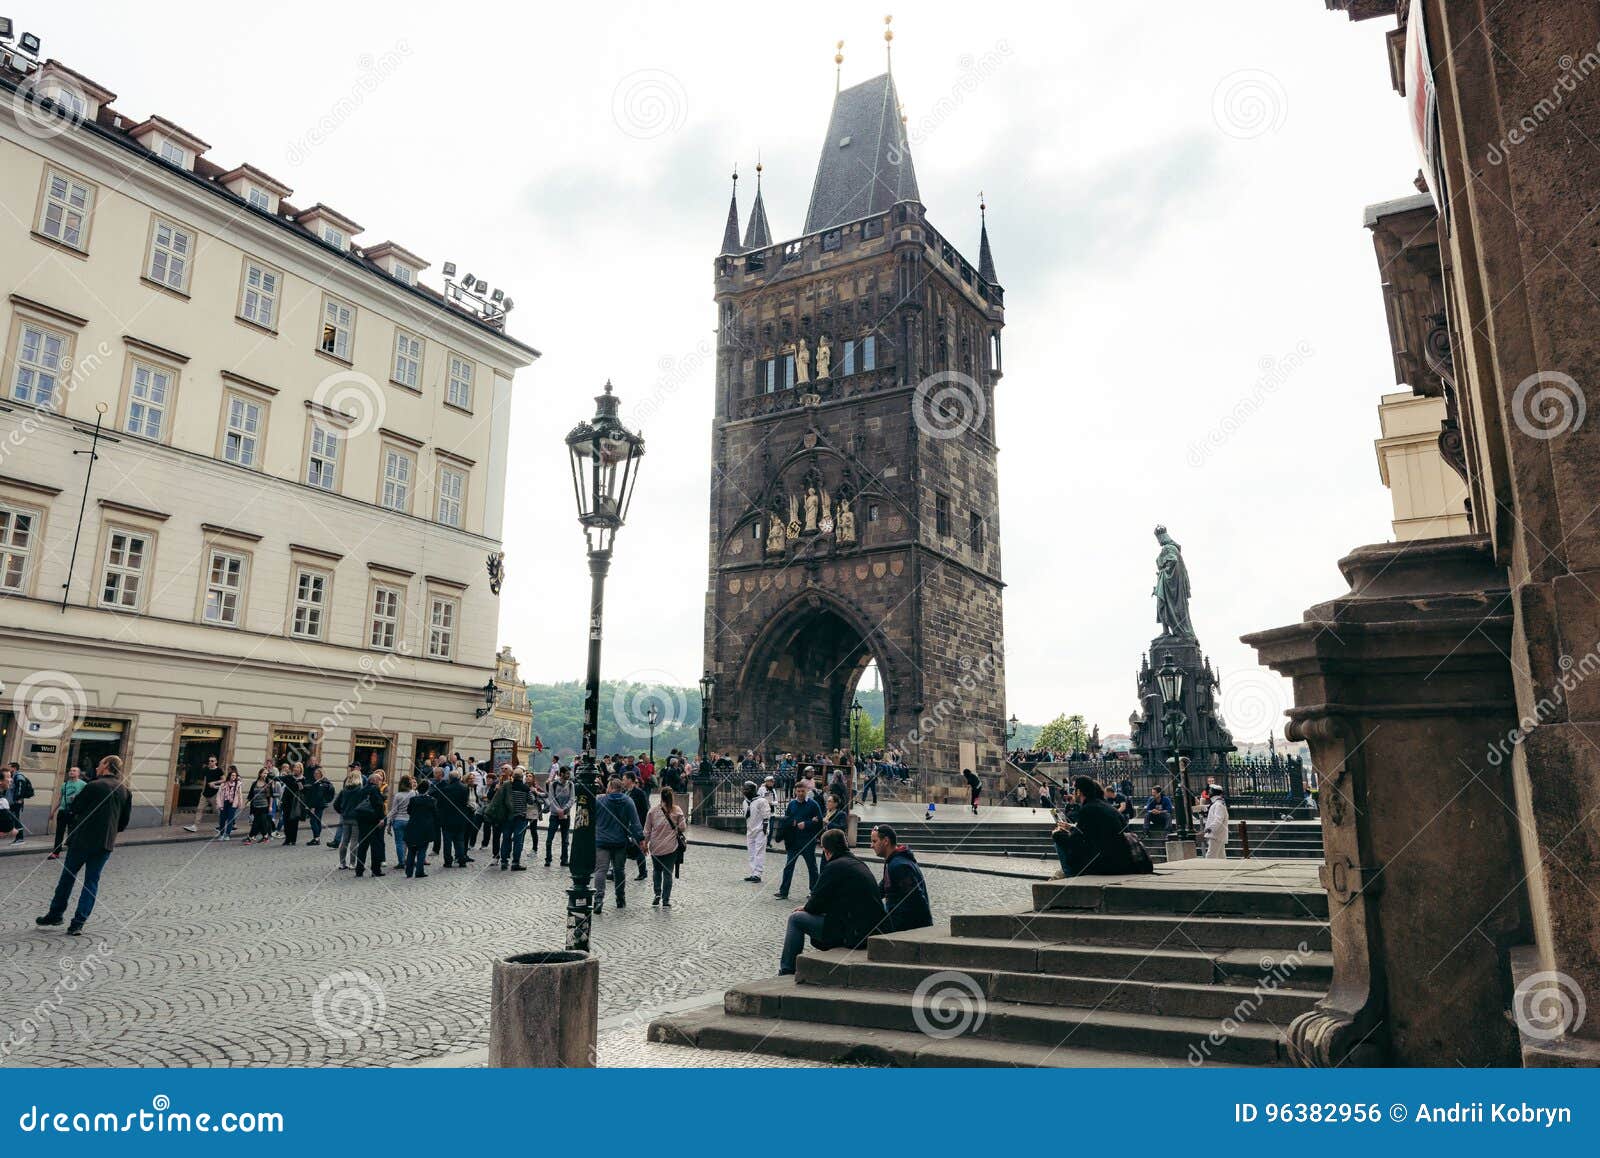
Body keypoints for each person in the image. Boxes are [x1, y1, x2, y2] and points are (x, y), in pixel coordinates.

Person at [35, 755, 131, 935]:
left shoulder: (93, 786)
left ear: (107, 767)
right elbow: (124, 822)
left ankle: (55, 914)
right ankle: (78, 923)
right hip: (105, 843)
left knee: (67, 878)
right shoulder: (124, 790)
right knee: (91, 882)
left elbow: (75, 809)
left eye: (100, 764)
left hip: (82, 840)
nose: (96, 767)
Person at [778, 829, 884, 975]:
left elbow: (816, 902)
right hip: (867, 928)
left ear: (826, 851)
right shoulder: (858, 863)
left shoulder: (834, 866)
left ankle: (787, 970)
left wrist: (806, 907)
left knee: (796, 919)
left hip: (853, 933)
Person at [1051, 776, 1146, 878]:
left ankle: (1070, 873)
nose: (1073, 793)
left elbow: (1077, 840)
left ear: (1079, 791)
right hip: (1122, 859)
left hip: (1104, 863)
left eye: (1074, 790)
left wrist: (1058, 834)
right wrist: (1072, 829)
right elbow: (1092, 832)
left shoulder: (1087, 809)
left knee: (1058, 836)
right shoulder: (1108, 807)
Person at [593, 776, 644, 912]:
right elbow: (635, 823)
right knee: (619, 870)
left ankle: (598, 899)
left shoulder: (600, 800)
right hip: (620, 841)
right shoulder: (628, 801)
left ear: (610, 788)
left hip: (602, 841)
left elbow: (591, 817)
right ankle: (620, 898)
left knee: (601, 870)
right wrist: (641, 839)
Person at [871, 823, 933, 934]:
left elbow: (916, 899)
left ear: (886, 841)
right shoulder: (893, 861)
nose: (871, 845)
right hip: (898, 925)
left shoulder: (899, 866)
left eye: (874, 841)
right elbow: (882, 888)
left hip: (907, 930)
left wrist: (926, 930)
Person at [774, 783, 824, 900]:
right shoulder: (791, 804)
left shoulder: (813, 804)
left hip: (807, 841)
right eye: (798, 791)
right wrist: (793, 823)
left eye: (802, 791)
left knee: (812, 867)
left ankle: (814, 892)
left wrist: (807, 824)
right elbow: (786, 820)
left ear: (806, 791)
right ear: (795, 792)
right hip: (794, 841)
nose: (800, 793)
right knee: (788, 866)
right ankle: (784, 891)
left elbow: (819, 821)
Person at [643, 786, 686, 907]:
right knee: (668, 873)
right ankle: (666, 899)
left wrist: (645, 844)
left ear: (661, 797)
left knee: (657, 870)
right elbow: (683, 827)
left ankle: (657, 893)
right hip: (671, 847)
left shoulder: (652, 811)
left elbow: (647, 830)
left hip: (656, 847)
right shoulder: (677, 810)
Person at [435, 768, 476, 868]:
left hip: (447, 819)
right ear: (459, 777)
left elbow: (440, 804)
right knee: (460, 840)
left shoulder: (445, 789)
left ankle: (448, 861)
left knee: (447, 841)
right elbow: (465, 802)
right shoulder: (464, 788)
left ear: (449, 778)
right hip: (461, 818)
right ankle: (461, 860)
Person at [351, 771, 388, 878]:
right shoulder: (375, 789)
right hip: (373, 822)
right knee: (375, 846)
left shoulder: (362, 790)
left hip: (362, 821)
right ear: (374, 781)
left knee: (362, 846)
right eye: (380, 780)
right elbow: (378, 805)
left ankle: (359, 870)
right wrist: (381, 818)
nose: (381, 782)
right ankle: (376, 870)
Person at [403, 779, 438, 878]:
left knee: (412, 850)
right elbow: (435, 814)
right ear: (427, 789)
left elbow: (409, 811)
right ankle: (419, 871)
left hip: (413, 826)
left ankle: (409, 872)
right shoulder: (431, 800)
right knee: (422, 850)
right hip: (425, 828)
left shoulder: (413, 800)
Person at [330, 768, 366, 866]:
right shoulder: (361, 791)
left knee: (344, 841)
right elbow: (365, 804)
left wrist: (343, 812)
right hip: (356, 819)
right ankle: (352, 864)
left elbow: (335, 804)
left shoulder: (344, 790)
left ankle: (342, 864)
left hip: (346, 818)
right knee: (354, 841)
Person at [49, 766, 85, 859]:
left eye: (74, 771)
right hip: (63, 811)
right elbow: (60, 799)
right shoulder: (64, 785)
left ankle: (72, 852)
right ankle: (56, 852)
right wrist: (53, 811)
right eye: (70, 770)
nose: (71, 772)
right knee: (59, 832)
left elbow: (86, 798)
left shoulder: (83, 784)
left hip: (74, 812)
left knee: (72, 833)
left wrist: (77, 798)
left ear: (78, 773)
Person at [623, 770, 651, 882]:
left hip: (636, 825)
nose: (623, 781)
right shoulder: (625, 793)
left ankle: (643, 872)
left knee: (639, 848)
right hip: (626, 825)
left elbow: (645, 810)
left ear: (630, 780)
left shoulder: (639, 793)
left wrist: (643, 827)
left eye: (624, 779)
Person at [742, 780, 770, 883]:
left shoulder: (761, 801)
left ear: (753, 790)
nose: (745, 791)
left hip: (760, 830)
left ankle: (758, 873)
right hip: (750, 830)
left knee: (759, 852)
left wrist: (765, 829)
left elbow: (766, 816)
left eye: (747, 789)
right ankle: (753, 872)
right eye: (744, 789)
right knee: (751, 852)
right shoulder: (745, 802)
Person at [544, 765, 572, 866]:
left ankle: (564, 859)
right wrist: (558, 810)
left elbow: (572, 799)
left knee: (565, 839)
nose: (569, 775)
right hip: (554, 815)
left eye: (569, 773)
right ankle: (548, 859)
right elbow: (551, 799)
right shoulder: (553, 784)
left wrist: (564, 810)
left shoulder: (571, 785)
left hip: (566, 815)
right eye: (567, 773)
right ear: (562, 774)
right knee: (549, 839)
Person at [389, 774, 417, 865]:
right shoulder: (413, 793)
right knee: (410, 842)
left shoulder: (398, 795)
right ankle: (409, 860)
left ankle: (401, 862)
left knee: (399, 842)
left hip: (398, 820)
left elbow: (394, 810)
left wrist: (389, 824)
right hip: (410, 820)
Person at [276, 763, 307, 846]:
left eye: (298, 767)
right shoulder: (289, 777)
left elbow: (304, 791)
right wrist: (269, 775)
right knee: (286, 821)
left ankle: (293, 840)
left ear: (301, 769)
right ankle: (287, 839)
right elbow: (278, 778)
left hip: (296, 803)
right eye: (295, 767)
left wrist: (300, 785)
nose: (296, 769)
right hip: (287, 802)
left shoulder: (303, 779)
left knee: (294, 821)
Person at [243, 769, 275, 843]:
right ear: (260, 774)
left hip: (264, 806)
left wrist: (270, 806)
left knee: (257, 821)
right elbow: (251, 795)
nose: (265, 775)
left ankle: (250, 837)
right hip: (255, 806)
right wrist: (246, 803)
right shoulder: (254, 783)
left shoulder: (268, 784)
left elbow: (271, 796)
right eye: (264, 773)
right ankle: (265, 836)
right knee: (261, 822)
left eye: (267, 773)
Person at [304, 765, 334, 845]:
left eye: (317, 773)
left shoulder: (321, 783)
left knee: (313, 821)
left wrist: (312, 806)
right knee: (317, 821)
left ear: (321, 774)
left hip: (318, 805)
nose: (315, 775)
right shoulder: (321, 782)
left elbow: (318, 796)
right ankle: (317, 838)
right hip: (321, 805)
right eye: (315, 773)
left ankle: (316, 839)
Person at [211, 766, 242, 841]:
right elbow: (219, 795)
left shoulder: (238, 784)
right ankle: (221, 834)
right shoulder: (224, 784)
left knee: (230, 819)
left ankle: (227, 834)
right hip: (224, 802)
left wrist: (240, 803)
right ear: (229, 776)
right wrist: (219, 804)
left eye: (235, 776)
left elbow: (239, 794)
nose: (234, 777)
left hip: (233, 803)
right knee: (222, 819)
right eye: (232, 775)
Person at [1202, 786, 1230, 859]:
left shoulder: (1218, 805)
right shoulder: (1217, 804)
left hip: (1216, 835)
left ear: (1214, 793)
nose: (1209, 793)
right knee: (1221, 856)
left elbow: (1218, 820)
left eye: (1211, 791)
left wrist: (1210, 829)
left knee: (1210, 856)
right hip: (1217, 835)